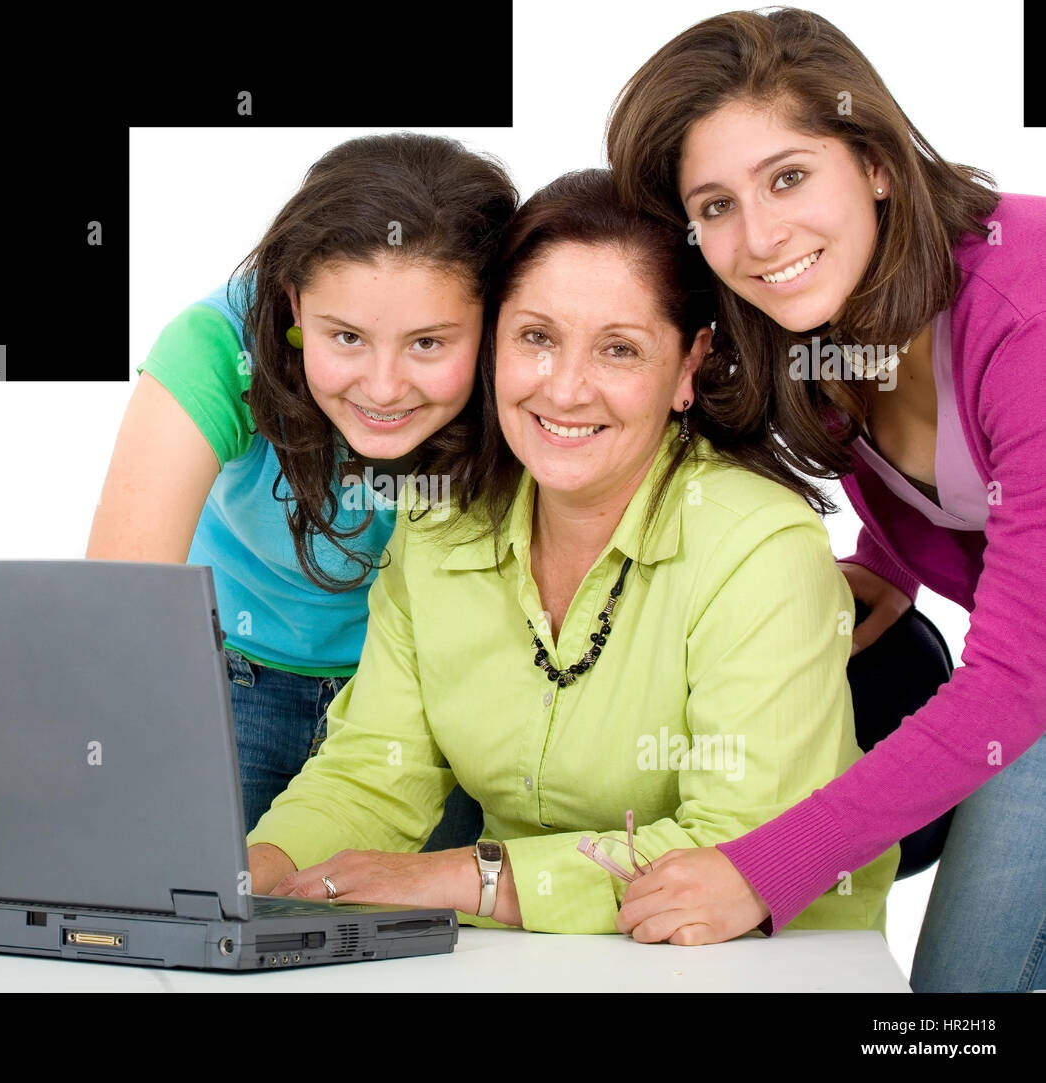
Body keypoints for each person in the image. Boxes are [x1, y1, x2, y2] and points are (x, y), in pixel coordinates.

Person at [245, 169, 898, 934]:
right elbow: (371, 773)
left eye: (619, 350)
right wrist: (249, 873)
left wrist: (468, 876)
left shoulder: (760, 549)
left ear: (689, 364)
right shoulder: (439, 527)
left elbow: (733, 847)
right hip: (545, 961)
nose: (564, 389)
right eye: (537, 337)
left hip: (755, 965)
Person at [603, 7, 1045, 990]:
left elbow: (1018, 680)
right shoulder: (810, 327)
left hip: (1035, 685)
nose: (759, 237)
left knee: (956, 1002)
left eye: (788, 177)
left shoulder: (1027, 306)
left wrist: (763, 872)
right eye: (713, 205)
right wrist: (889, 564)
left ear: (875, 164)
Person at [88, 132, 516, 847]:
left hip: (417, 700)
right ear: (291, 302)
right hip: (234, 680)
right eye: (345, 337)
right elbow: (116, 614)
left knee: (429, 944)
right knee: (185, 899)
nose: (383, 387)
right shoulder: (216, 346)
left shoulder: (527, 366)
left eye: (429, 343)